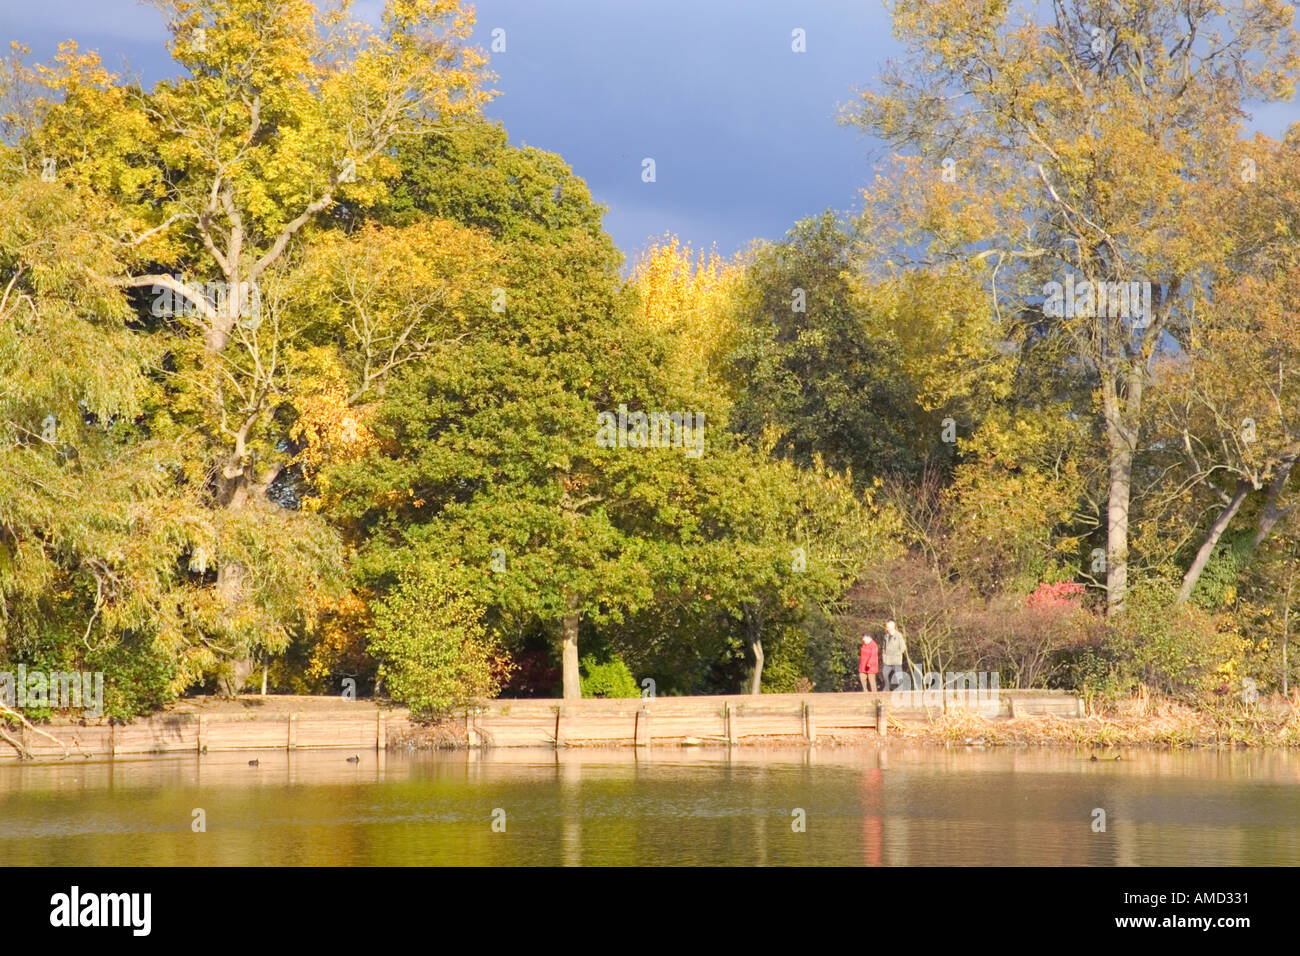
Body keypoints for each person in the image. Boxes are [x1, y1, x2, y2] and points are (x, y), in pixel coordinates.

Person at [881, 619, 908, 691]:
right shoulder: (886, 636)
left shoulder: (899, 635)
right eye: (886, 626)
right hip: (887, 660)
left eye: (888, 627)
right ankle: (886, 687)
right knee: (884, 674)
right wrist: (884, 656)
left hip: (896, 660)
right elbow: (884, 647)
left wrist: (898, 654)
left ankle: (902, 688)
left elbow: (903, 647)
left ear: (893, 627)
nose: (887, 628)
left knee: (899, 676)